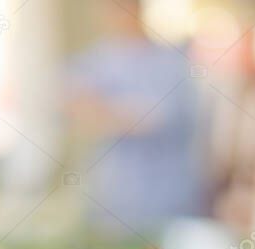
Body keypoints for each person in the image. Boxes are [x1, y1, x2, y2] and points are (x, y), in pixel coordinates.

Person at [66, 0, 207, 236]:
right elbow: (76, 111)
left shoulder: (170, 63)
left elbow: (153, 119)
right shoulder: (92, 62)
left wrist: (106, 112)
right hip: (111, 201)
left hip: (167, 202)